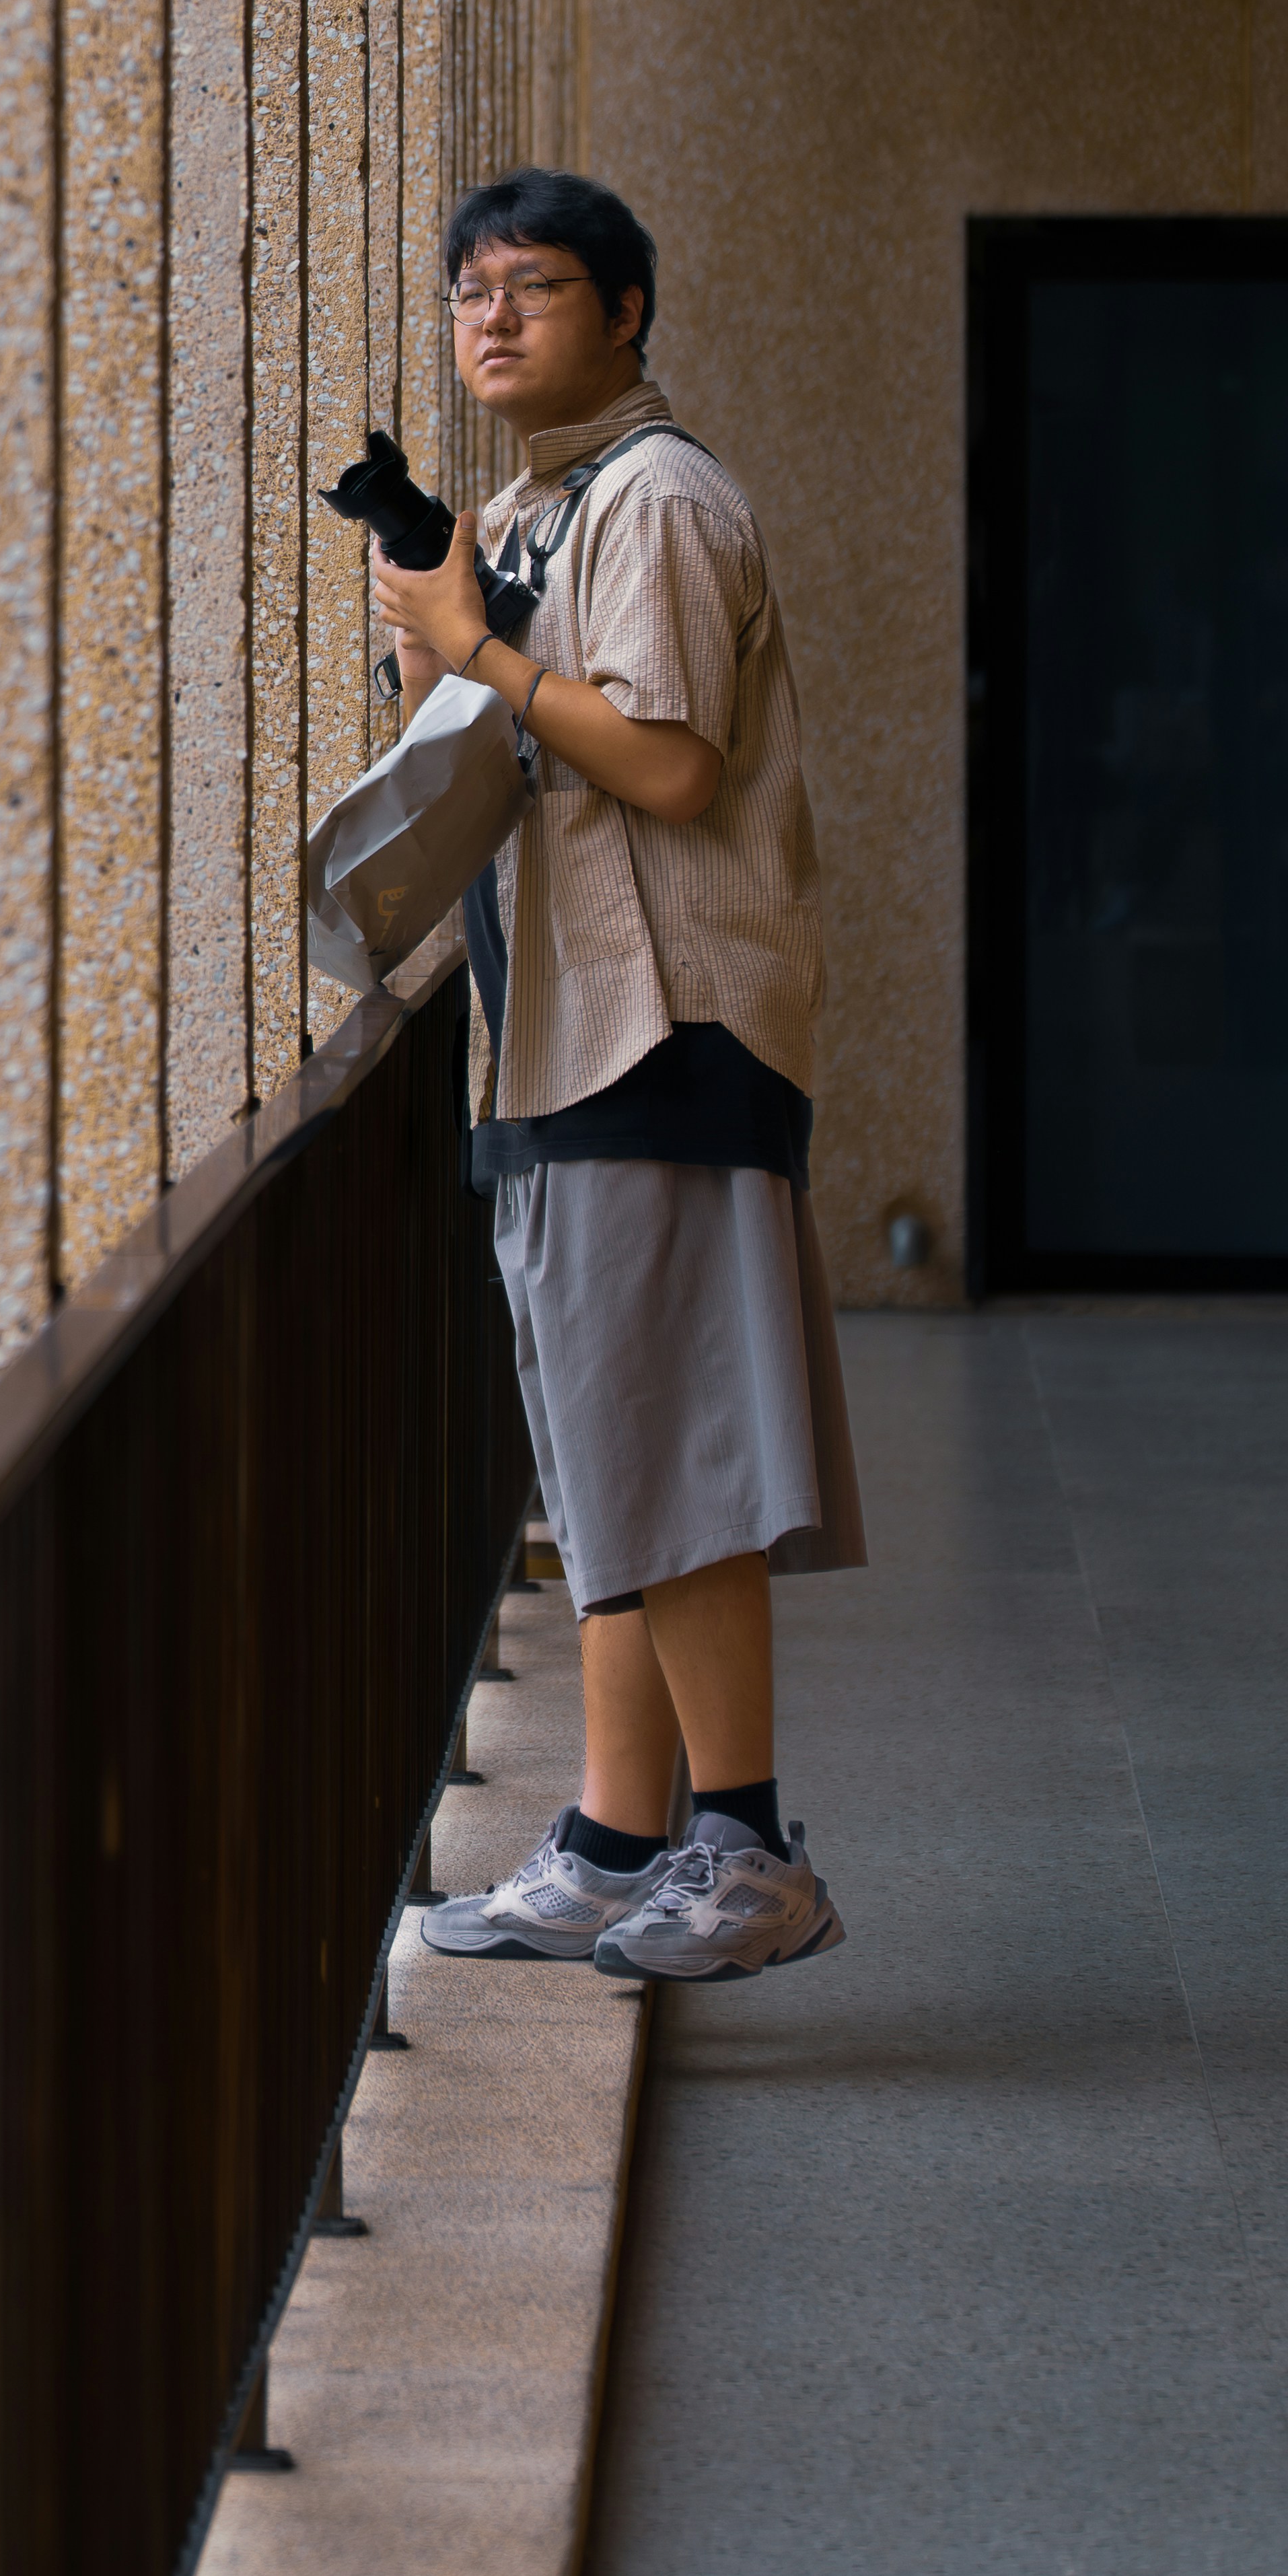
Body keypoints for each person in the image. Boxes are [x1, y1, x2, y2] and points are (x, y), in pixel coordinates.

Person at [371, 169, 862, 1987]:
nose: (489, 319)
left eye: (534, 290)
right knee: (601, 1446)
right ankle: (609, 1841)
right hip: (583, 1027)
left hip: (663, 1027)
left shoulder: (654, 500)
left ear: (627, 313)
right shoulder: (547, 503)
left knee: (662, 1446)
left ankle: (743, 1852)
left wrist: (477, 649)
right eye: (465, 294)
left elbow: (660, 766)